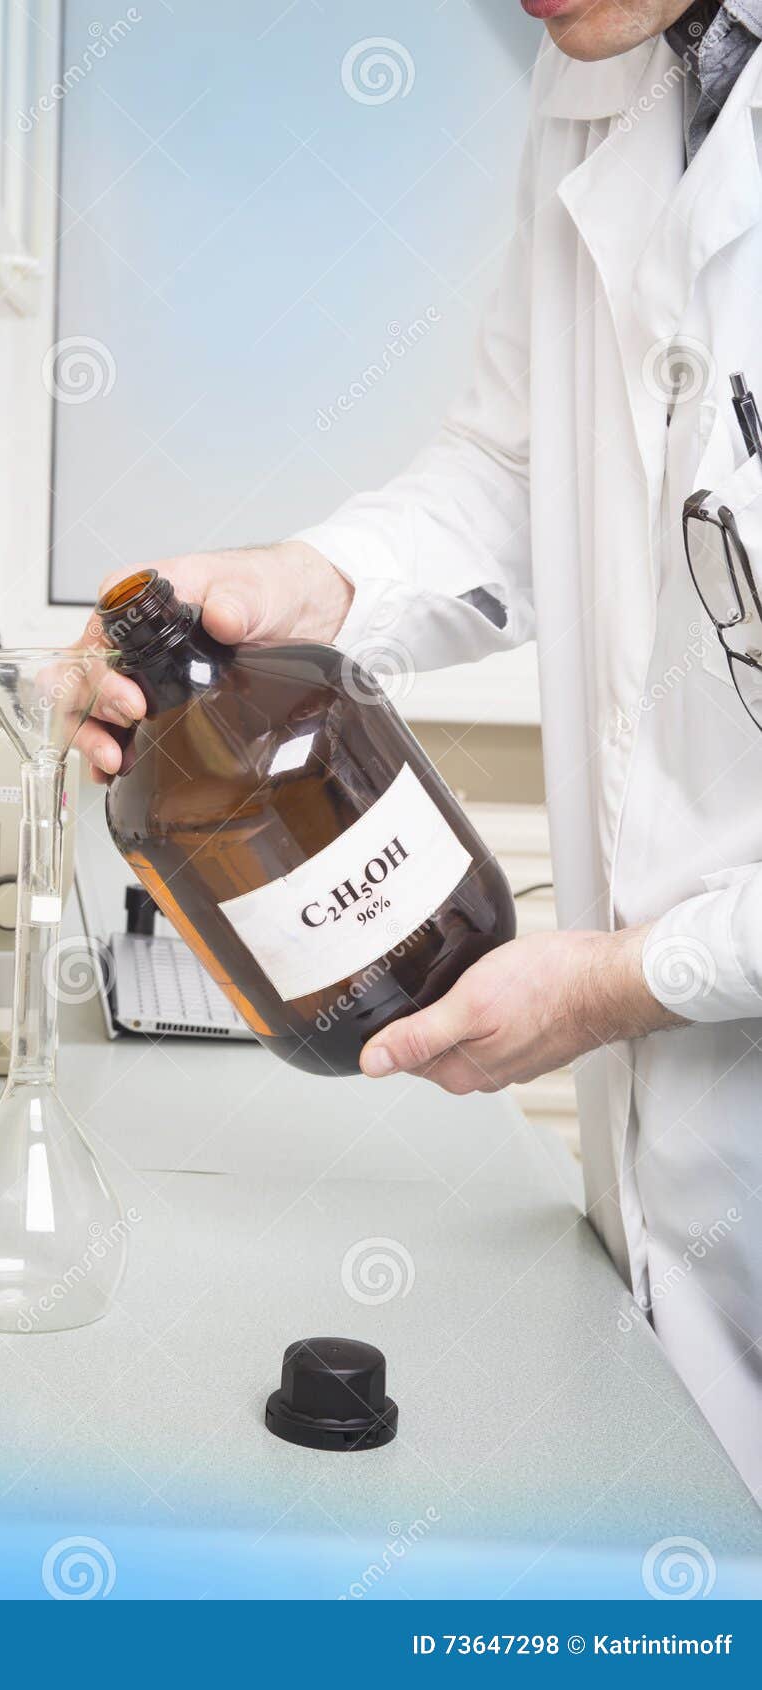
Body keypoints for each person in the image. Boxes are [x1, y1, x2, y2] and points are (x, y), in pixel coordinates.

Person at [79, 0, 762, 1498]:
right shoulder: (611, 68)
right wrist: (301, 586)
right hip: (672, 1213)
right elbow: (520, 472)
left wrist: (619, 979)